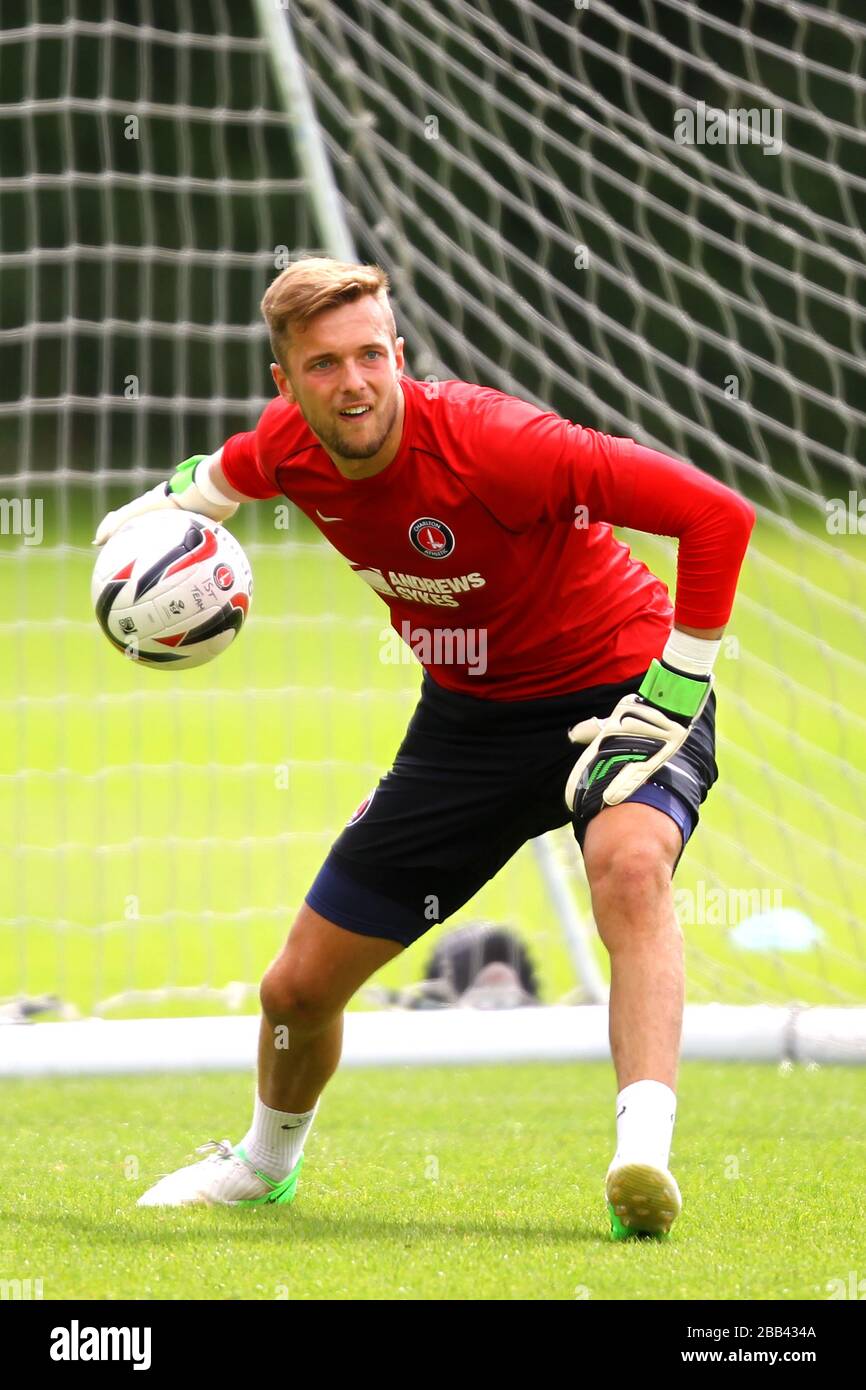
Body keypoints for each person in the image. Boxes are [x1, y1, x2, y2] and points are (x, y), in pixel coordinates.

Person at [94, 256, 755, 1237]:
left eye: (371, 355)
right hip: (469, 720)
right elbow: (220, 477)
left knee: (629, 867)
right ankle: (263, 1163)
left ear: (397, 352)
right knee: (295, 988)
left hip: (621, 690)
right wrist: (157, 508)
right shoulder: (287, 445)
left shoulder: (499, 442)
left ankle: (639, 1155)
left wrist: (676, 684)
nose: (354, 382)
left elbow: (715, 513)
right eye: (323, 365)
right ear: (286, 384)